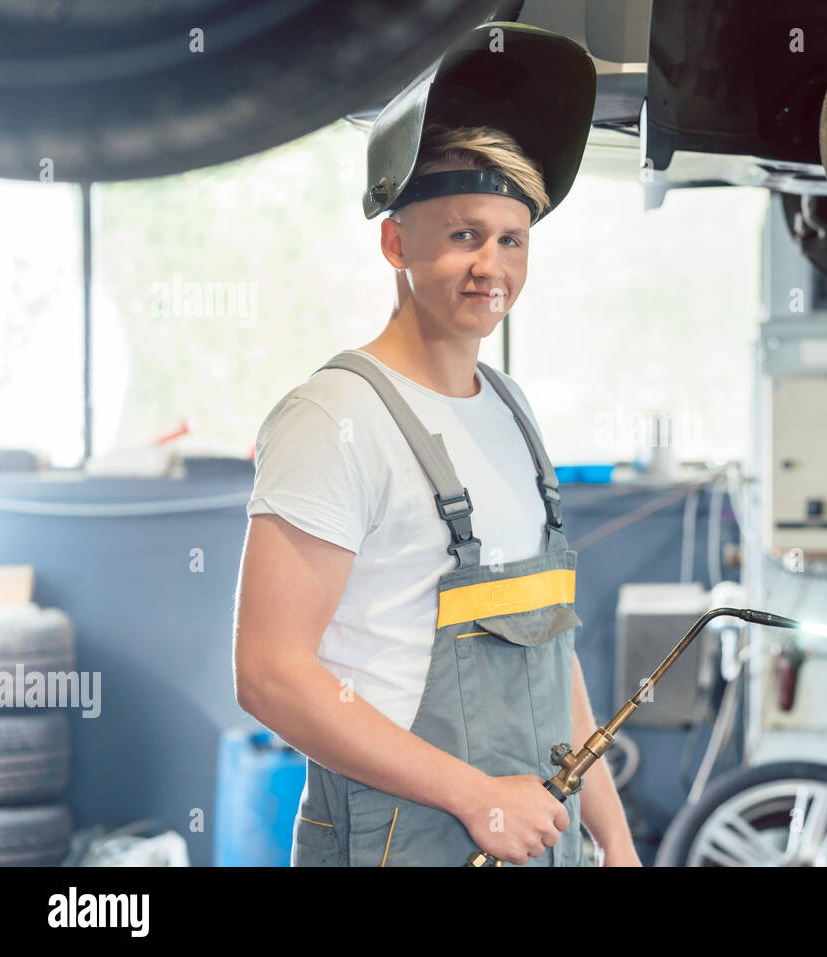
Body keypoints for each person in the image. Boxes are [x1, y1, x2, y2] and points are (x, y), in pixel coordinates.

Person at [232, 22, 639, 866]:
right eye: (463, 235)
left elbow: (549, 653)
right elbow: (268, 673)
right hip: (404, 841)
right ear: (395, 242)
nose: (491, 264)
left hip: (537, 837)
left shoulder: (512, 409)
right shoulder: (334, 419)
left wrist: (617, 840)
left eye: (512, 238)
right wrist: (476, 797)